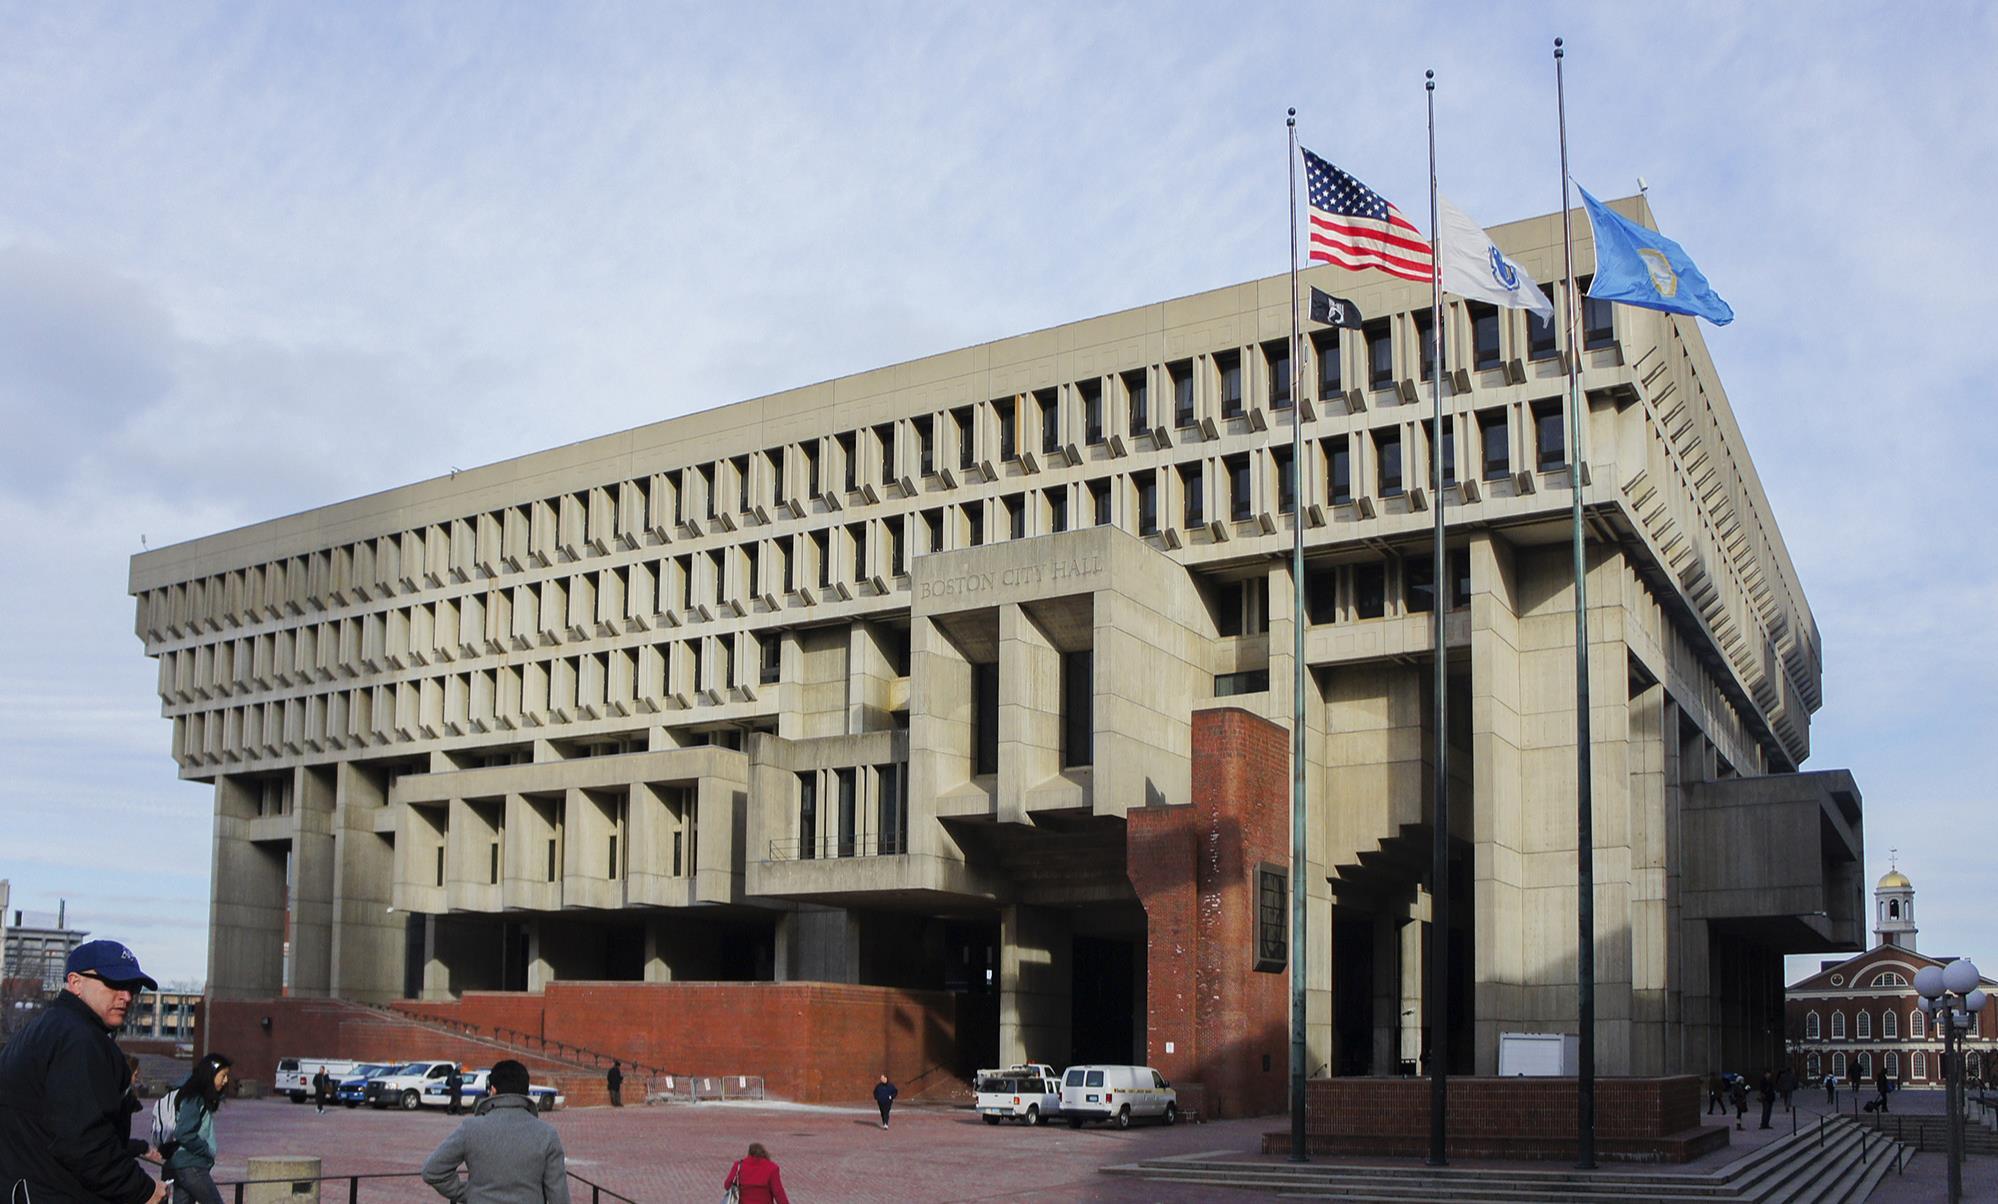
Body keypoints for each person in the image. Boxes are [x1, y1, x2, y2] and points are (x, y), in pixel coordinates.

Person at [0, 938, 168, 1204]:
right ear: (76, 982)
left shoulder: (44, 1029)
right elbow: (83, 1140)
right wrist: (142, 1189)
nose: (126, 996)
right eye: (114, 983)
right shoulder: (79, 1039)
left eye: (132, 987)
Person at [421, 1059, 569, 1204]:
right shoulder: (547, 1134)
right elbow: (559, 1195)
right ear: (525, 1091)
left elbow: (432, 1170)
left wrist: (468, 1193)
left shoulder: (470, 1128)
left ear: (493, 1090)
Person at [165, 1053, 234, 1204]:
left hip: (185, 1165)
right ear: (212, 1074)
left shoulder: (199, 1096)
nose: (226, 1080)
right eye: (223, 1075)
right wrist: (205, 1149)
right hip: (191, 1165)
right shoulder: (194, 1097)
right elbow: (183, 1132)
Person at [721, 1143, 790, 1204]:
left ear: (749, 1153)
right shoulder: (772, 1168)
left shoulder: (739, 1166)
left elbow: (727, 1185)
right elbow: (778, 1193)